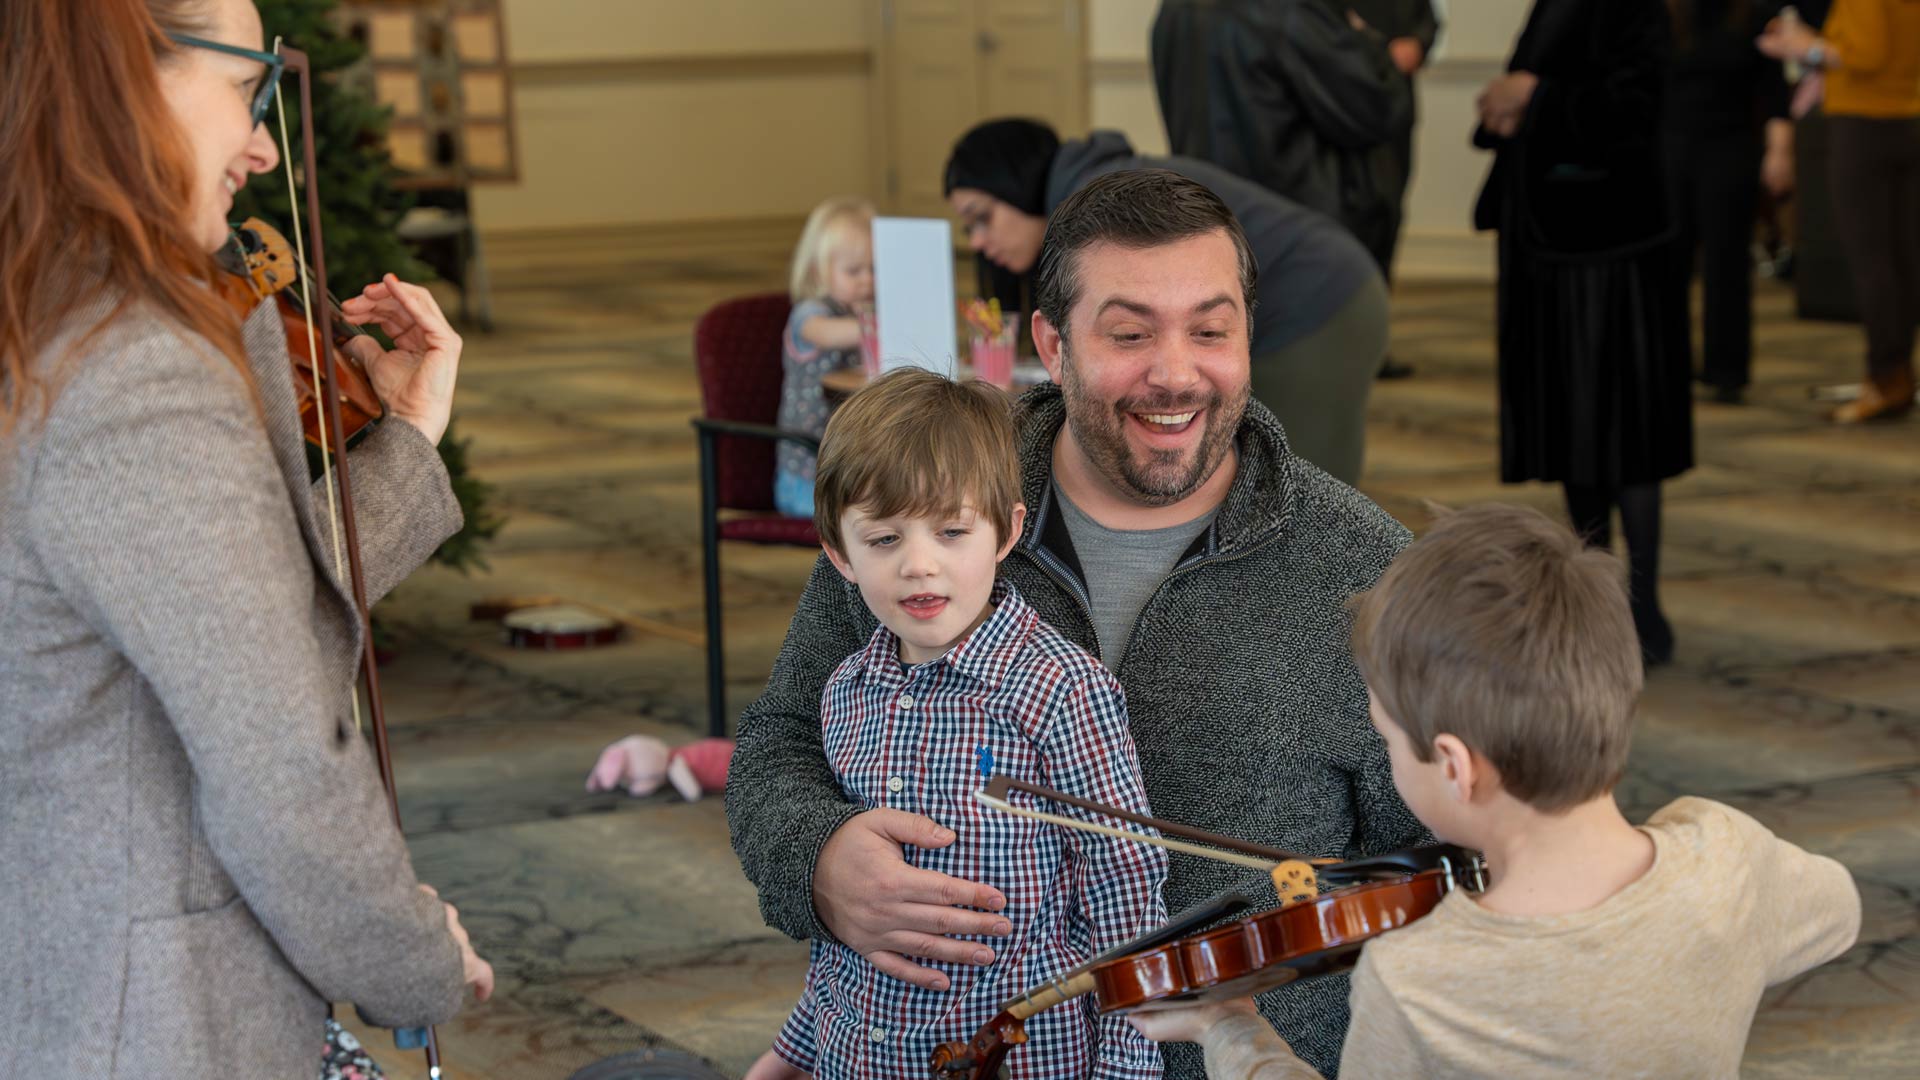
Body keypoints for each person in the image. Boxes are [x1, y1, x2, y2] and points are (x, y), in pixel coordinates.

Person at [728, 169, 1429, 1080]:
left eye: (1211, 331)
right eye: (1130, 334)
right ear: (1052, 345)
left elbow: (1443, 868)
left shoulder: (1367, 567)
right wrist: (816, 862)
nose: (1176, 373)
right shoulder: (923, 501)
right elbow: (777, 740)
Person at [0, 1, 493, 1077]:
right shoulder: (128, 364)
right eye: (246, 86)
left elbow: (211, 600)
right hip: (147, 1022)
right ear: (128, 69)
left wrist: (404, 438)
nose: (266, 144)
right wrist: (417, 964)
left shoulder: (42, 312)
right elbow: (282, 771)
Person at [1124, 504, 1863, 1078]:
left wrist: (1232, 1031)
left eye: (1387, 738)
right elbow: (1840, 912)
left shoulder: (1419, 981)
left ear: (1455, 765)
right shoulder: (1726, 860)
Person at [742, 369, 1167, 1080]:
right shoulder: (846, 692)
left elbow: (1124, 899)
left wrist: (1126, 1069)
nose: (919, 565)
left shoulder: (1063, 691)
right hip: (860, 1057)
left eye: (951, 530)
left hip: (1021, 1059)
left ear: (1006, 529)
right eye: (883, 540)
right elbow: (850, 928)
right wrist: (797, 1046)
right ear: (838, 553)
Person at [944, 119, 1387, 486]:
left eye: (982, 218)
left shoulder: (1094, 209)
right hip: (1324, 283)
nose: (979, 242)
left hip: (1324, 299)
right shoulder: (1093, 194)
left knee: (1297, 478)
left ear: (1015, 182)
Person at [1472, 0, 1693, 665]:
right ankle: (1601, 599)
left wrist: (1534, 95)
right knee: (1575, 429)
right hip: (1557, 246)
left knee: (1627, 432)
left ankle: (1641, 609)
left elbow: (1636, 108)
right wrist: (1510, 104)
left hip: (1612, 247)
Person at [1151, 0, 1409, 271]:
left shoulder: (1174, 9)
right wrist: (1361, 34)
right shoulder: (1290, 11)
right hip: (1300, 230)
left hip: (1208, 220)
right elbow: (1379, 107)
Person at [1758, 0, 1920, 422]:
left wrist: (1805, 47)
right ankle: (1895, 375)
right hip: (1906, 116)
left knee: (1873, 260)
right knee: (1897, 258)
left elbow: (1865, 54)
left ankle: (1886, 377)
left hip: (1864, 123)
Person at [1666, 0, 1796, 404]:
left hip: (1730, 149)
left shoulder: (1754, 13)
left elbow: (1775, 92)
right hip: (1668, 149)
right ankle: (1666, 363)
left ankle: (1727, 369)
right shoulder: (1660, 14)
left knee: (1727, 263)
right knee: (1667, 262)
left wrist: (1780, 152)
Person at [776, 197, 875, 517]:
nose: (867, 280)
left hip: (847, 474)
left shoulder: (862, 313)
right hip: (806, 478)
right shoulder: (810, 314)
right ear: (819, 270)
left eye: (874, 269)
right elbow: (826, 333)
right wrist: (882, 326)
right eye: (854, 271)